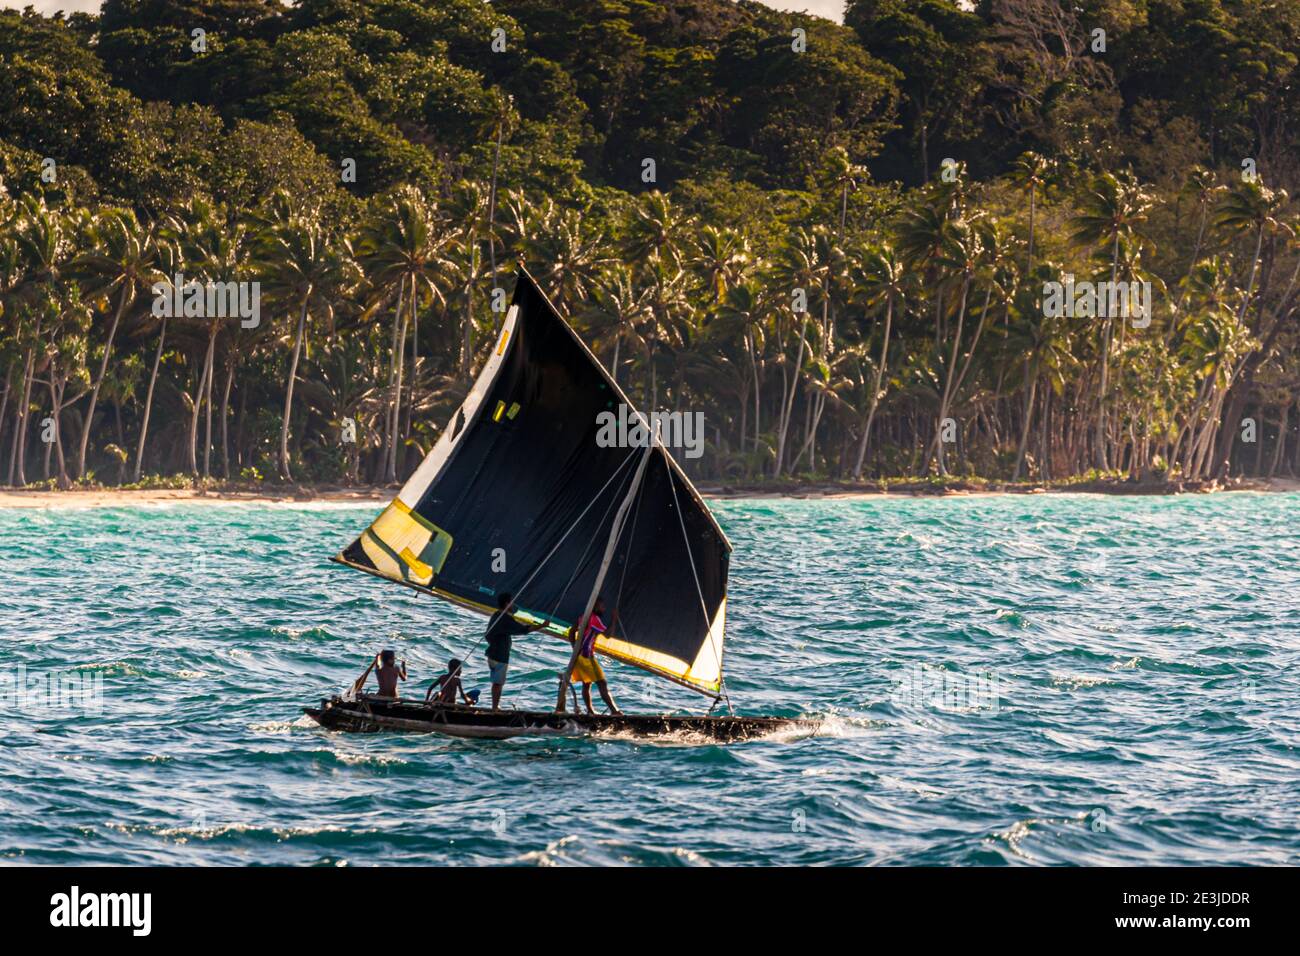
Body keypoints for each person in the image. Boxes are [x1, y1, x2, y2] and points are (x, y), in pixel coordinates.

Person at [483, 592, 547, 710]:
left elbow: (488, 635)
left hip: (491, 654)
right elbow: (523, 629)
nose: (514, 604)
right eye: (512, 602)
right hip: (499, 656)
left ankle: (494, 706)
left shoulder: (496, 615)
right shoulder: (505, 618)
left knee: (496, 683)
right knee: (498, 683)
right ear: (507, 603)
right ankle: (494, 708)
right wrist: (542, 625)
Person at [569, 598, 621, 716]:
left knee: (586, 684)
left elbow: (571, 631)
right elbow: (608, 635)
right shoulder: (594, 619)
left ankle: (590, 711)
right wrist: (614, 619)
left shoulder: (583, 616)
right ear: (595, 607)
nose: (604, 609)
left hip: (579, 656)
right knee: (602, 683)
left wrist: (574, 648)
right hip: (587, 657)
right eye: (602, 606)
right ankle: (614, 711)